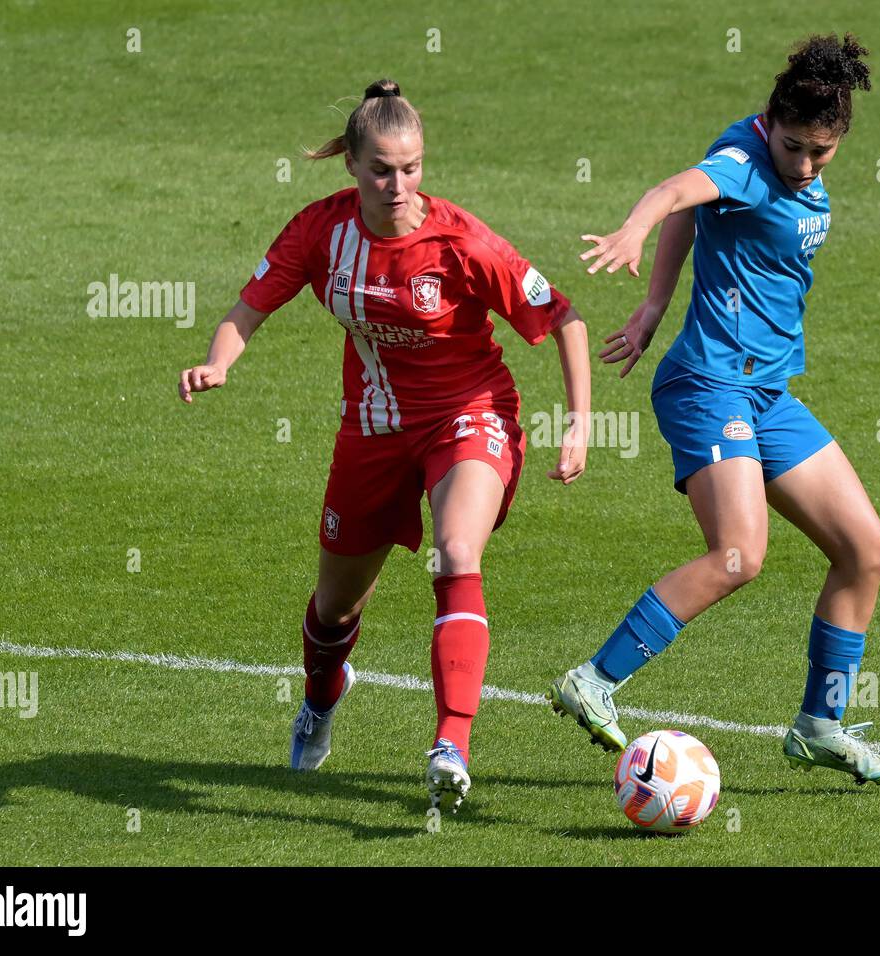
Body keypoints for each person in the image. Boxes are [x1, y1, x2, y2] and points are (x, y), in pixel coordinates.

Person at [179, 79, 592, 810]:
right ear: (352, 165)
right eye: (381, 169)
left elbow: (562, 317)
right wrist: (217, 362)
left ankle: (451, 744)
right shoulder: (318, 232)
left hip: (470, 414)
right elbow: (247, 310)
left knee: (457, 553)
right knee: (335, 609)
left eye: (412, 168)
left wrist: (580, 420)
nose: (398, 185)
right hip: (371, 431)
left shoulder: (461, 241)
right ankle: (322, 697)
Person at [548, 35, 880, 784]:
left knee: (867, 549)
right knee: (740, 553)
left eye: (822, 153)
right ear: (768, 122)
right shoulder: (743, 159)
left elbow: (699, 213)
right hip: (708, 387)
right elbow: (678, 195)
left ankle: (819, 724)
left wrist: (652, 309)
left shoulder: (770, 166)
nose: (805, 166)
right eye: (794, 147)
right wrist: (634, 233)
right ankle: (594, 680)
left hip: (766, 393)